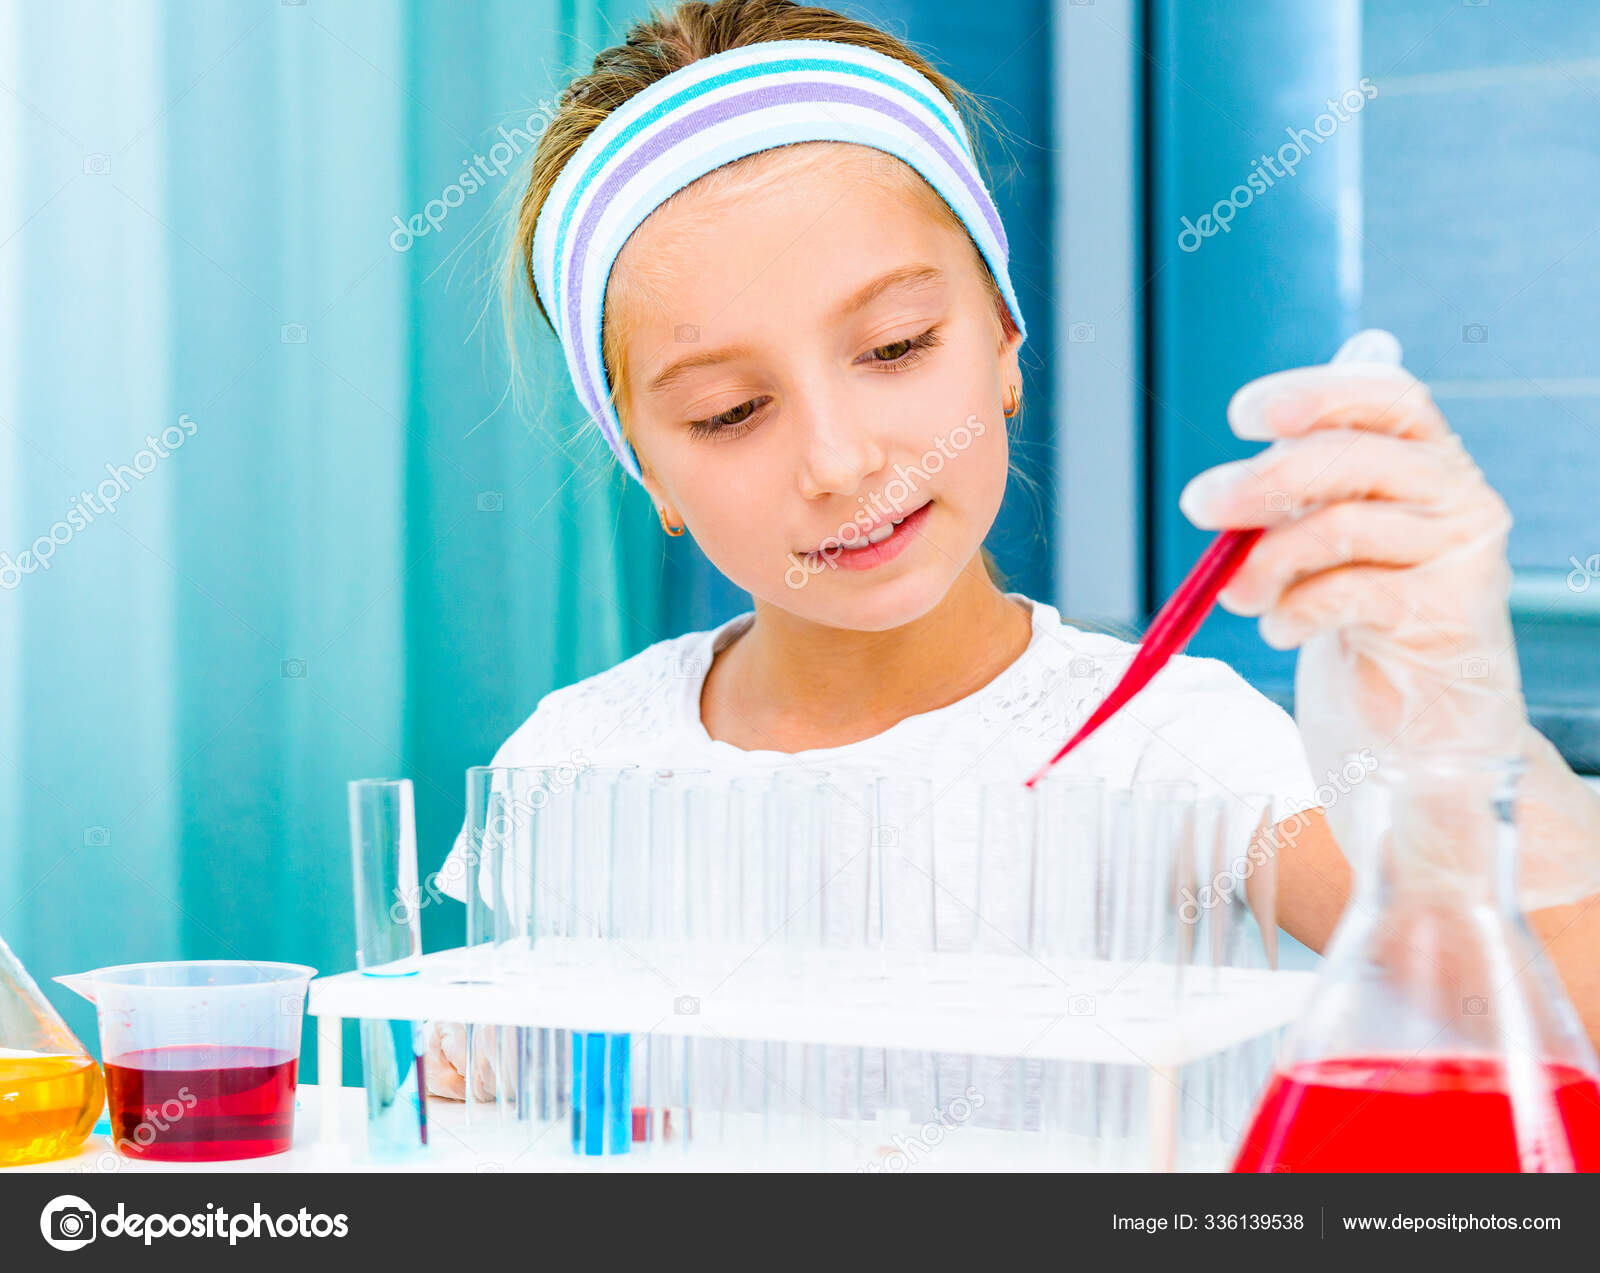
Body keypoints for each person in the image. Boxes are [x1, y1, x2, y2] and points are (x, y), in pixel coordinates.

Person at [425, 0, 1600, 1099]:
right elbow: (461, 1135)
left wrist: (1474, 762)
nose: (838, 460)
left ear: (1000, 340)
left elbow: (1552, 1031)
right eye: (731, 411)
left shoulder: (1179, 749)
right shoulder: (571, 766)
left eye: (894, 346)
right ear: (647, 467)